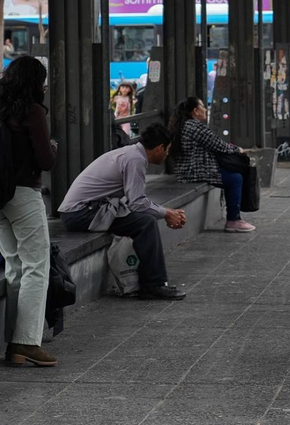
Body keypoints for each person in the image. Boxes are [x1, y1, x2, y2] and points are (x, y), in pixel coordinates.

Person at [58, 124, 186, 302]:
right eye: (168, 150)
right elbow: (138, 203)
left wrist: (166, 212)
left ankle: (151, 282)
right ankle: (154, 285)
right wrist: (166, 213)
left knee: (144, 220)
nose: (167, 155)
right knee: (145, 223)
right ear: (159, 148)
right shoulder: (136, 160)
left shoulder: (132, 153)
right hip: (81, 213)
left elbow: (135, 200)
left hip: (83, 210)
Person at [0, 56, 58, 367]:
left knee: (14, 267)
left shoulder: (2, 107)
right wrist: (52, 147)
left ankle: (14, 343)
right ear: (36, 82)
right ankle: (26, 343)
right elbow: (45, 161)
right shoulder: (32, 111)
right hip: (23, 193)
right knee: (37, 266)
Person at [169, 96, 255, 233]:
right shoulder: (194, 126)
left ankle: (235, 217)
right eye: (202, 106)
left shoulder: (183, 125)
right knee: (235, 178)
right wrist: (237, 149)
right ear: (195, 110)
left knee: (232, 175)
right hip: (195, 171)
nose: (205, 109)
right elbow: (217, 144)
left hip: (187, 170)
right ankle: (233, 220)